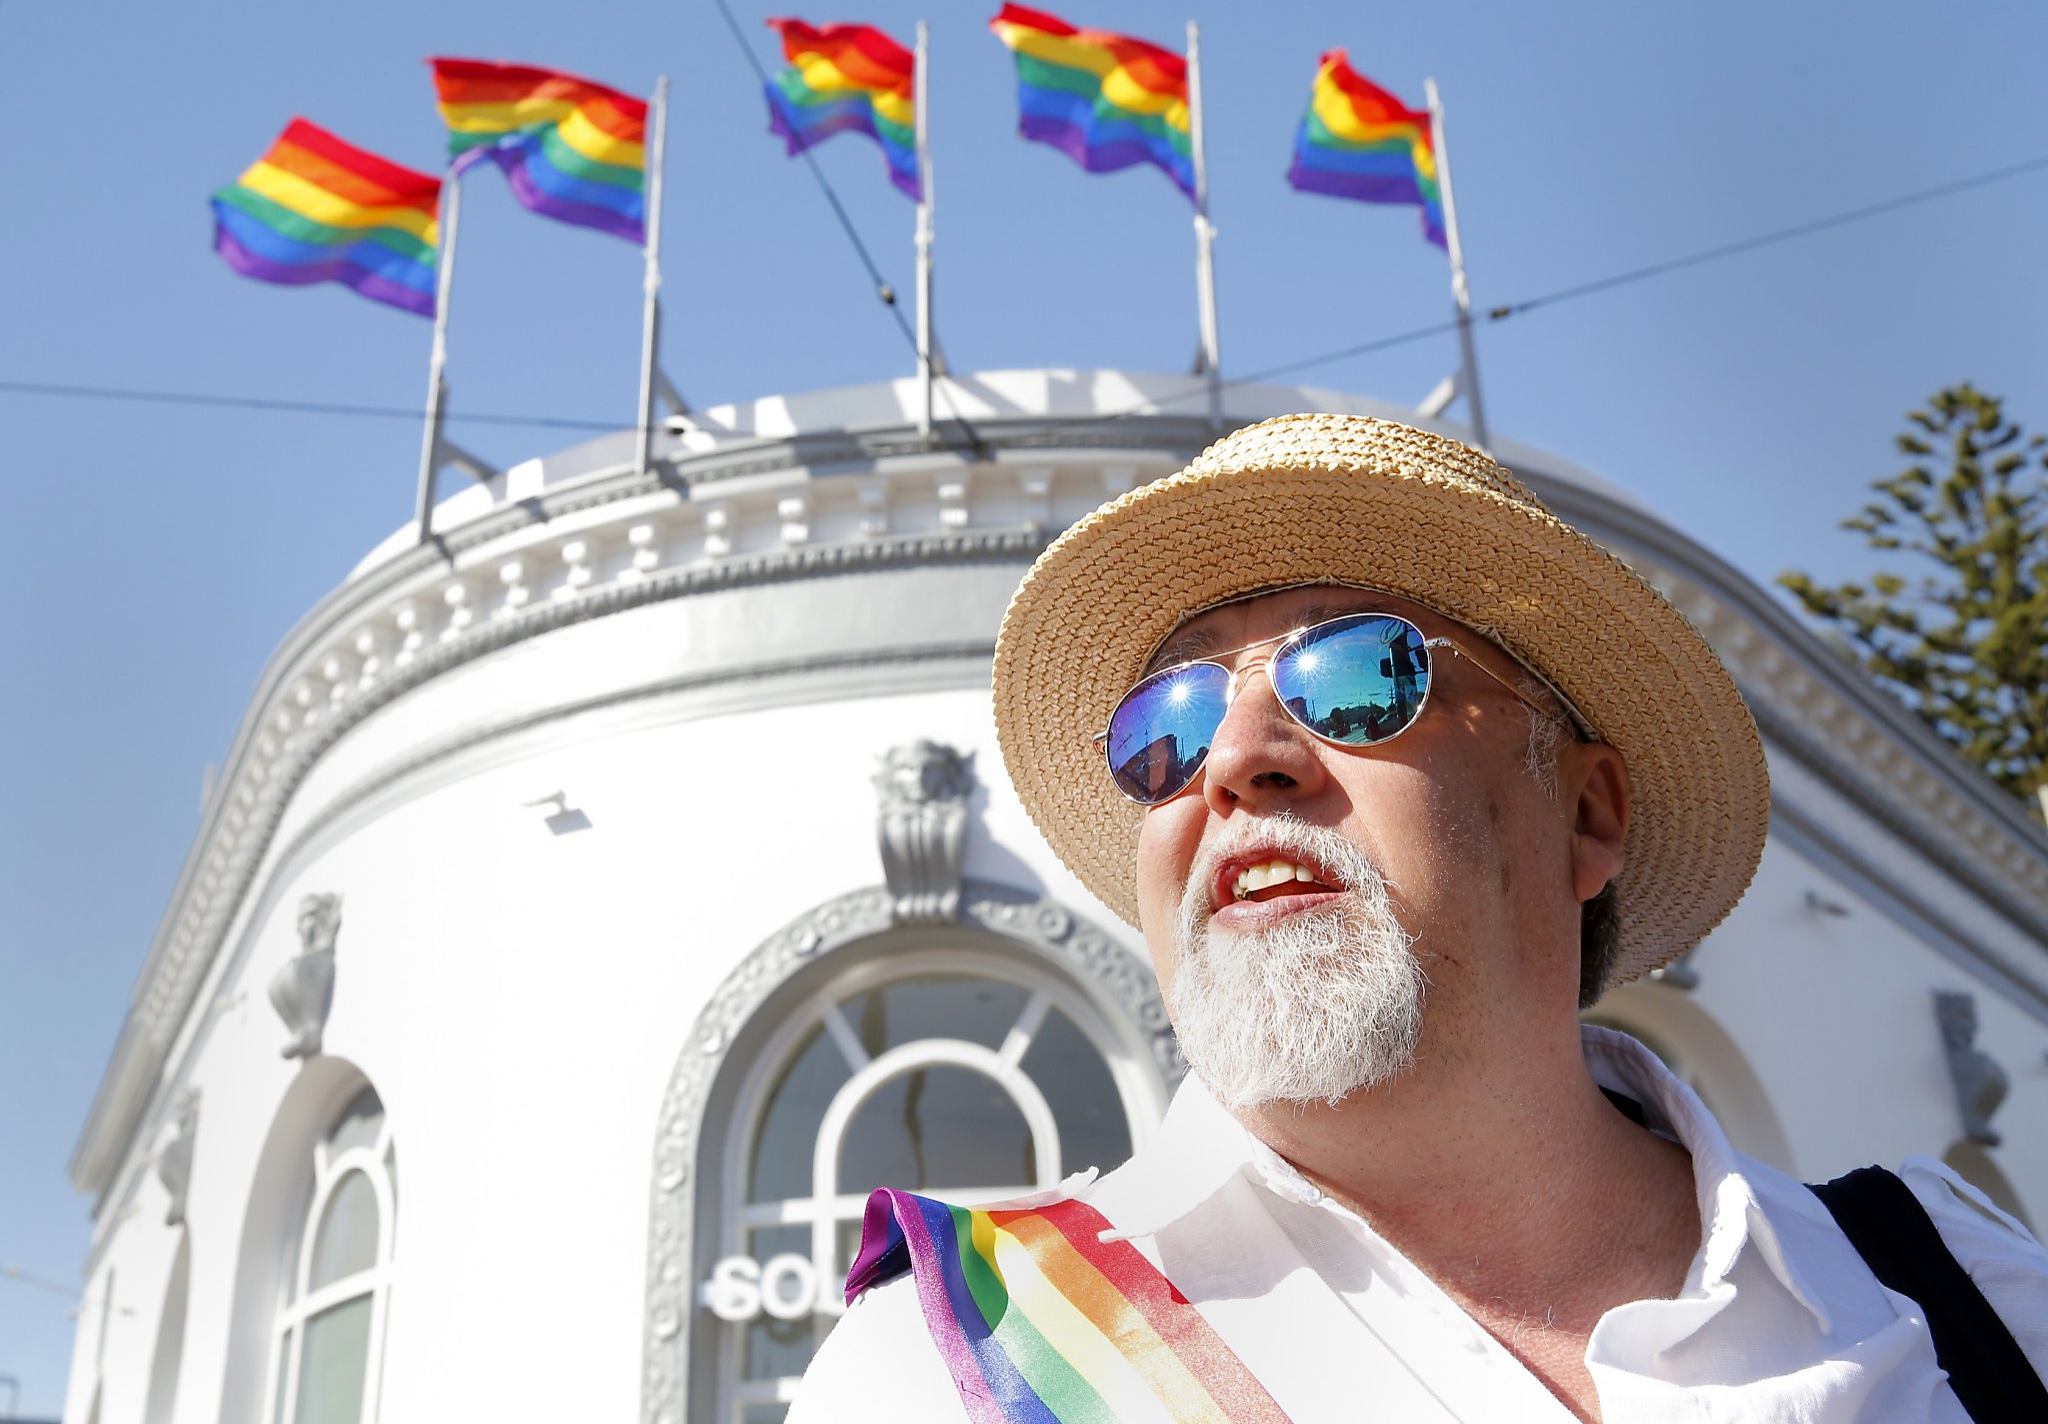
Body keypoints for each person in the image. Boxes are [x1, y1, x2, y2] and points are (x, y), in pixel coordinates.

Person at [789, 414, 2048, 1423]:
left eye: (1356, 672)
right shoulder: (943, 1370)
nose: (1233, 758)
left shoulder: (1957, 1287)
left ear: (1585, 808)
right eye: (1162, 722)